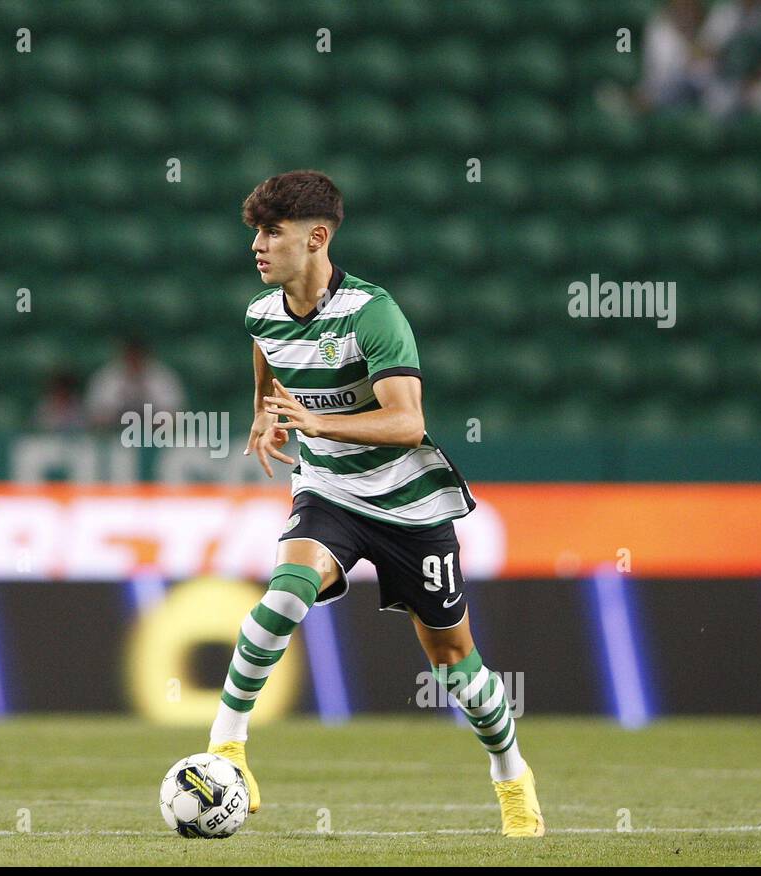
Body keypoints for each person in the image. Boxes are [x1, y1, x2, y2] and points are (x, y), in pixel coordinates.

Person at [205, 170, 545, 837]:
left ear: (317, 238)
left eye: (272, 232)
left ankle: (511, 774)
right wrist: (263, 412)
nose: (259, 246)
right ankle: (228, 748)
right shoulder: (260, 311)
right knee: (283, 597)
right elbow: (265, 350)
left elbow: (406, 424)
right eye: (256, 233)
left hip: (408, 504)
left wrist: (318, 422)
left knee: (452, 661)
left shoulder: (372, 313)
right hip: (328, 491)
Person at [83, 337, 187, 430]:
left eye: (138, 357)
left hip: (156, 436)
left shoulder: (164, 377)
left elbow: (175, 415)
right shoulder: (106, 377)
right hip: (114, 436)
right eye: (131, 357)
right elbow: (94, 415)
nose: (134, 361)